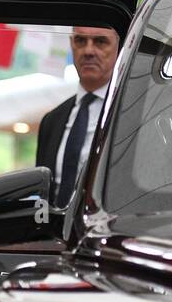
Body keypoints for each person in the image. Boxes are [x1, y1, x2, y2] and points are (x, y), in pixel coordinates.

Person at [37, 25, 121, 209]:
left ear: (119, 47)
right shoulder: (52, 121)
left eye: (100, 41)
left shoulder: (131, 114)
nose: (89, 51)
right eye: (80, 41)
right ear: (71, 44)